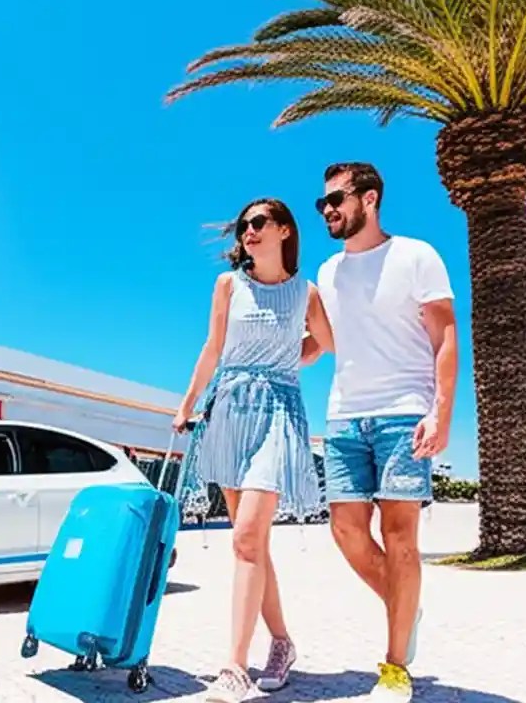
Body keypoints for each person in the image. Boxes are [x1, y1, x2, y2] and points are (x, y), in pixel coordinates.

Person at [305, 162, 458, 703]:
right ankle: (405, 606)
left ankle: (395, 668)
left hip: (404, 412)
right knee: (346, 530)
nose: (327, 209)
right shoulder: (326, 272)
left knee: (400, 542)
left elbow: (444, 337)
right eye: (322, 203)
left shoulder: (417, 256)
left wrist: (440, 411)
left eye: (335, 199)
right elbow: (321, 344)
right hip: (344, 415)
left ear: (369, 199)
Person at [174, 197, 334, 702]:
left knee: (246, 538)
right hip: (229, 412)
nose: (249, 232)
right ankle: (282, 643)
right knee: (252, 545)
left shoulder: (305, 294)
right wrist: (187, 405)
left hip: (278, 414)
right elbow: (212, 349)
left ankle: (234, 668)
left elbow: (323, 344)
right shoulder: (228, 286)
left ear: (286, 231)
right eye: (244, 226)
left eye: (259, 223)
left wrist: (286, 364)